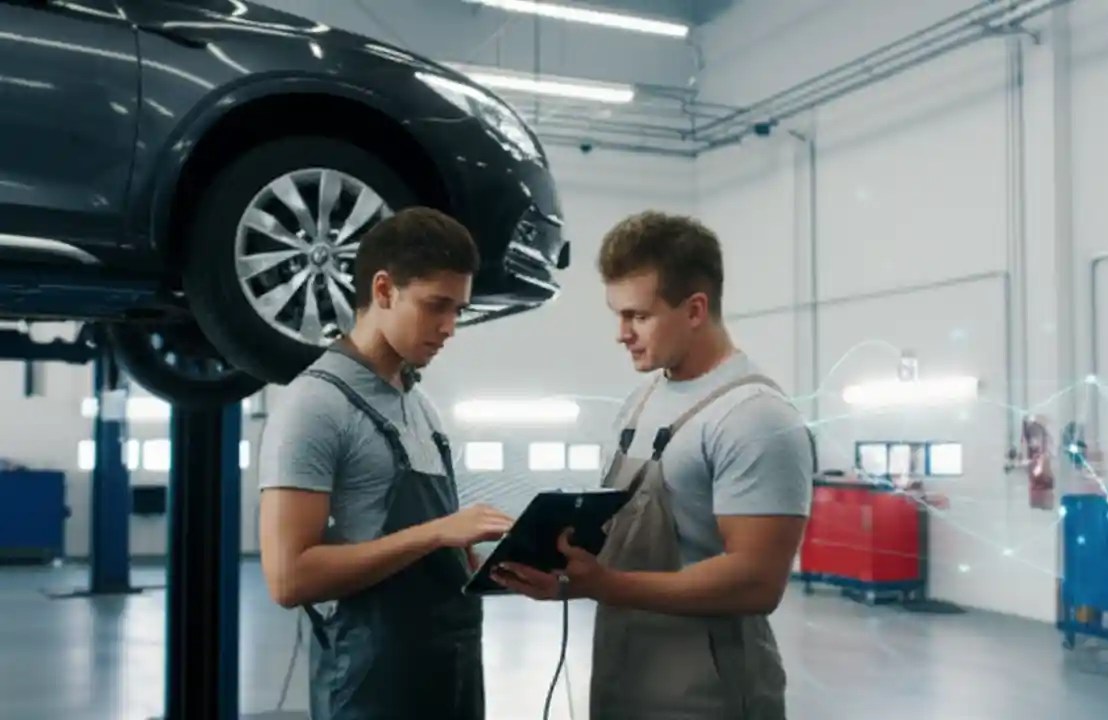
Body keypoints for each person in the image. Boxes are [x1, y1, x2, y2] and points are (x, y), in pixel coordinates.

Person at [493, 210, 815, 719]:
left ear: (695, 309)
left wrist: (604, 585)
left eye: (638, 316)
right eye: (617, 315)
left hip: (707, 694)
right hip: (625, 676)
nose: (621, 333)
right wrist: (553, 559)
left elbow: (757, 580)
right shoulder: (641, 402)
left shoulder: (754, 417)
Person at [257, 207, 514, 720]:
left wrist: (489, 559)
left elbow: (428, 543)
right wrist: (436, 533)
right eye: (436, 306)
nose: (449, 328)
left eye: (458, 310)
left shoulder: (420, 406)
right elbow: (288, 578)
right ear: (383, 290)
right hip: (372, 687)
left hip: (451, 675)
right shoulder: (314, 405)